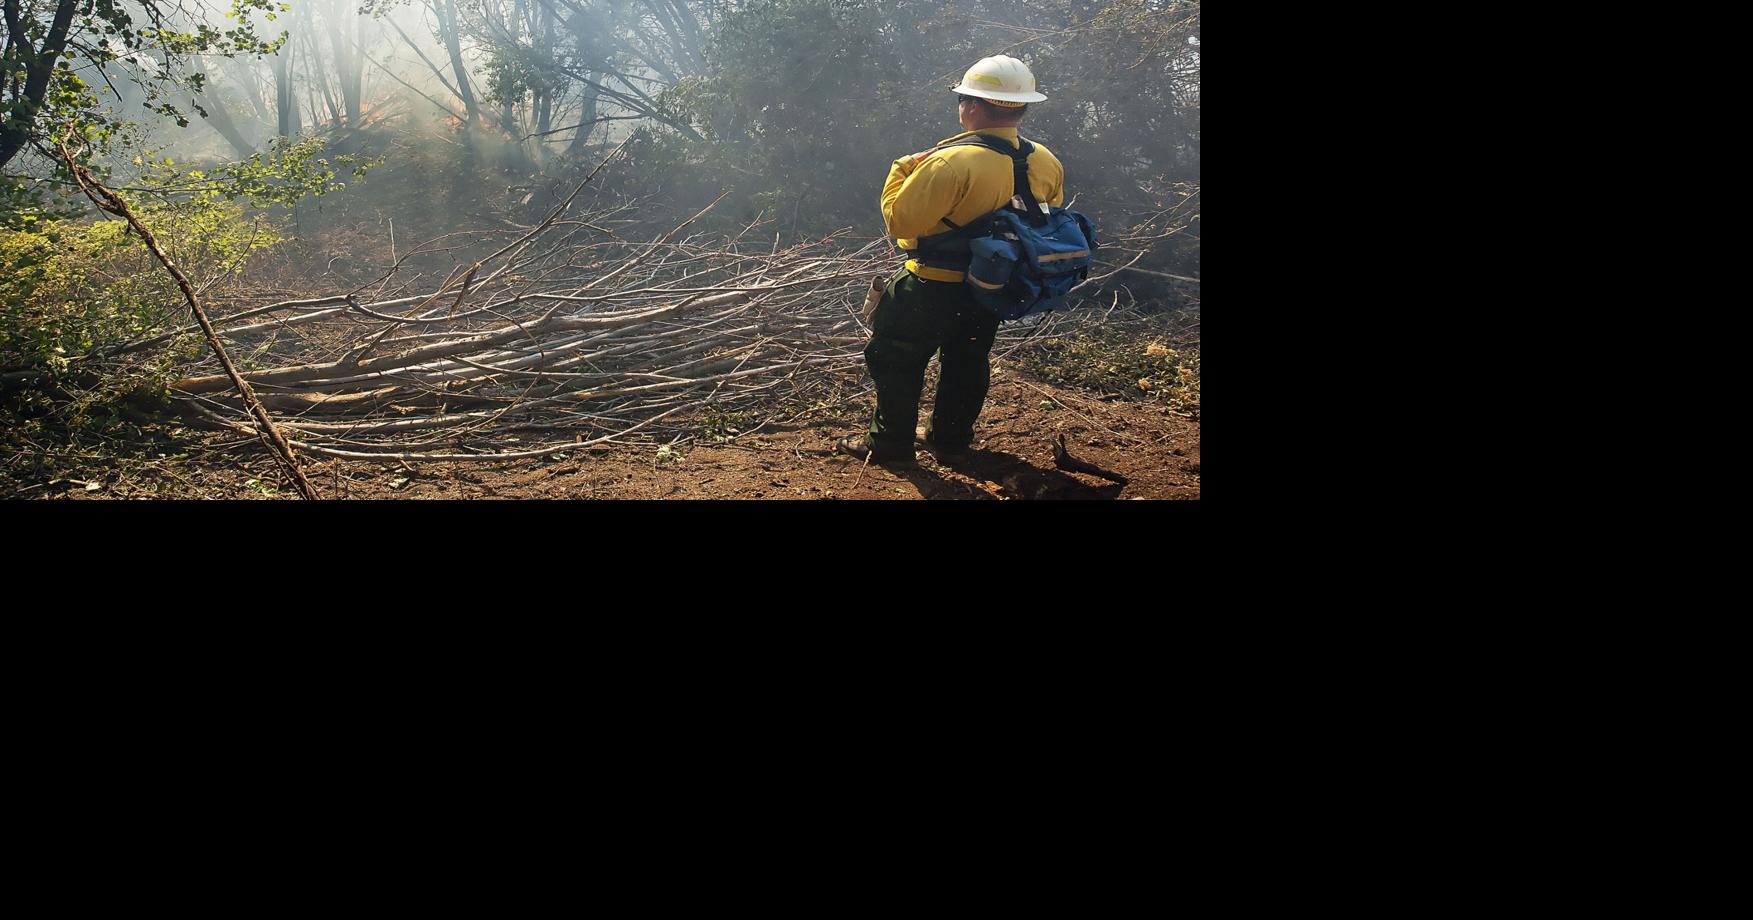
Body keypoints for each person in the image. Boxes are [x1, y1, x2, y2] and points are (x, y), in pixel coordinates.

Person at [838, 55, 1066, 467]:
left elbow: (900, 220)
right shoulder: (1045, 160)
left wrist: (900, 170)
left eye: (963, 98)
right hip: (989, 290)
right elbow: (1047, 216)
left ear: (974, 106)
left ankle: (891, 445)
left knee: (893, 357)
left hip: (930, 284)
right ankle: (950, 441)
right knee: (968, 360)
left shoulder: (950, 161)